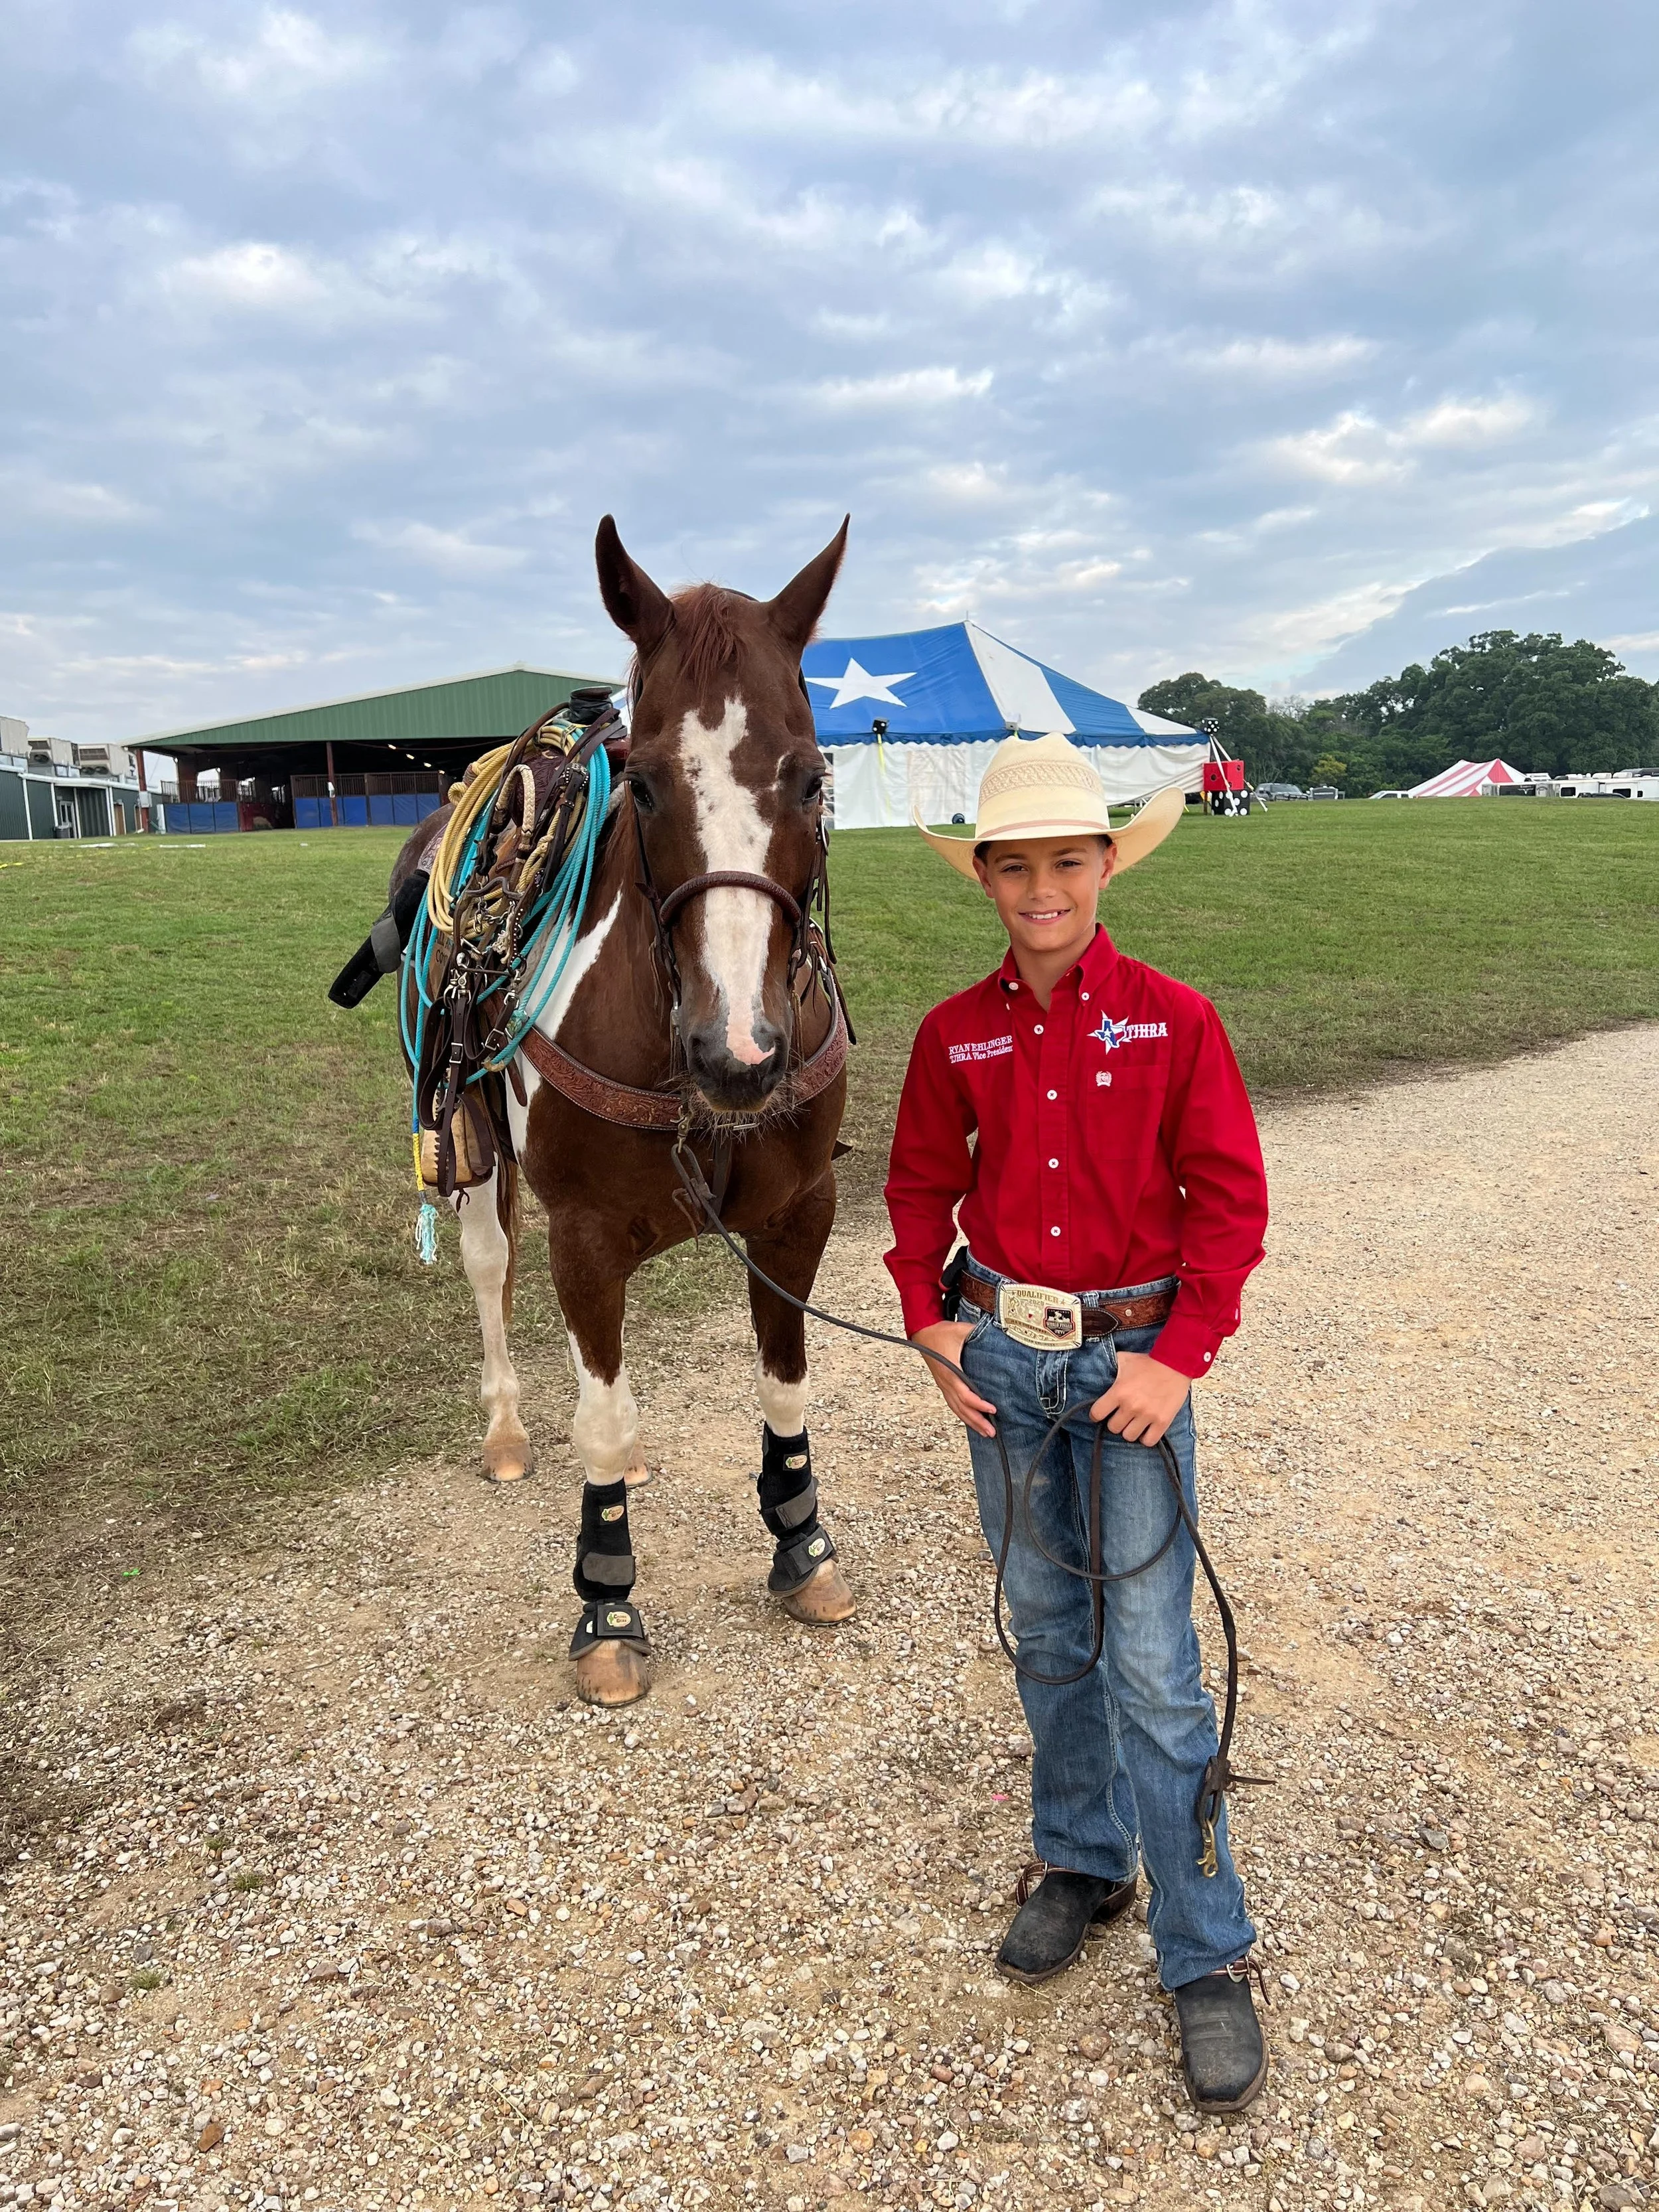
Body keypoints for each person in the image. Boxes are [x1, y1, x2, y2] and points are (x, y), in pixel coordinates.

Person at [883, 733, 1271, 2113]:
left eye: (1066, 860)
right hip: (1004, 1363)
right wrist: (928, 1318)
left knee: (1155, 1665)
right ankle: (1085, 1858)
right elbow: (917, 1185)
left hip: (1130, 1373)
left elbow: (1229, 1201)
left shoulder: (1174, 1020)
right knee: (1046, 1627)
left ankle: (1204, 1947)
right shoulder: (955, 1032)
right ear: (984, 878)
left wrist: (1180, 1358)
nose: (1041, 889)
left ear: (1107, 864)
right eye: (1015, 867)